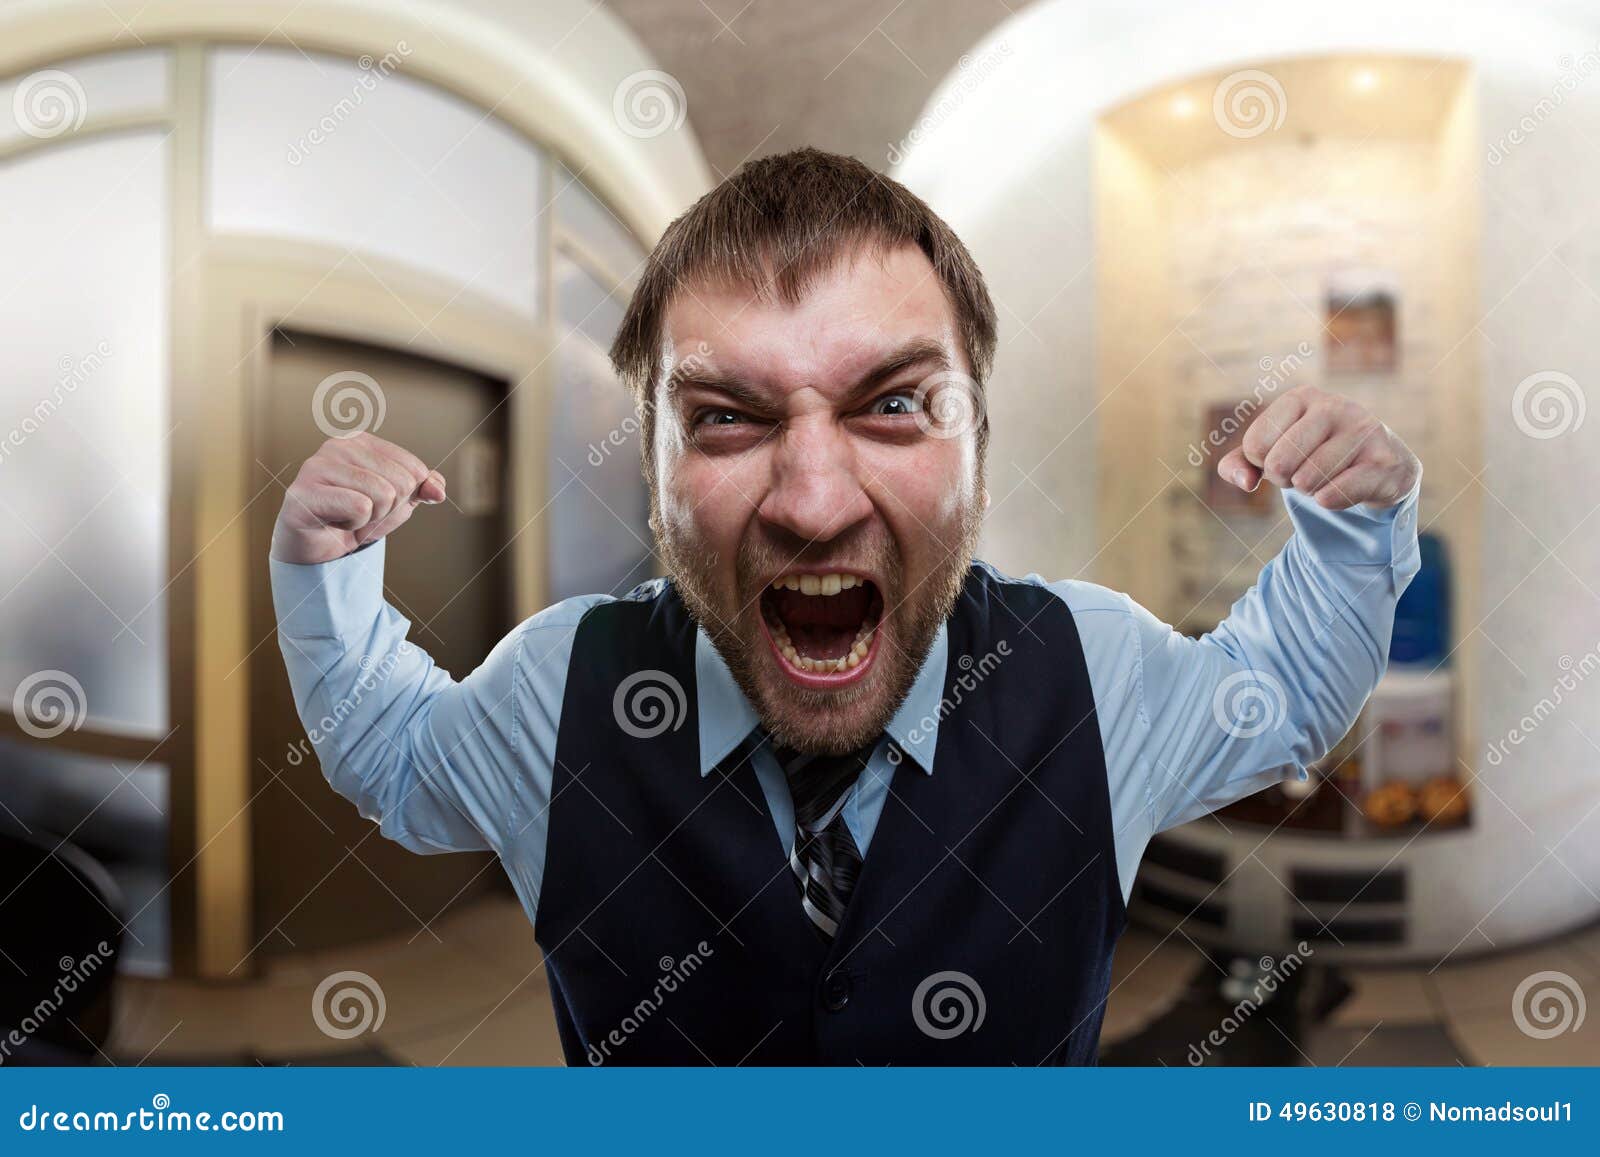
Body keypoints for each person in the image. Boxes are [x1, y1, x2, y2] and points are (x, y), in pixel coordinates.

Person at [269, 148, 1421, 1065]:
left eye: (895, 404)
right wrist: (324, 569)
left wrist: (1356, 521)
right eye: (724, 416)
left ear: (979, 450)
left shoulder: (1088, 667)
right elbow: (399, 759)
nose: (814, 505)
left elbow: (1280, 705)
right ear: (653, 469)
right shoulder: (560, 688)